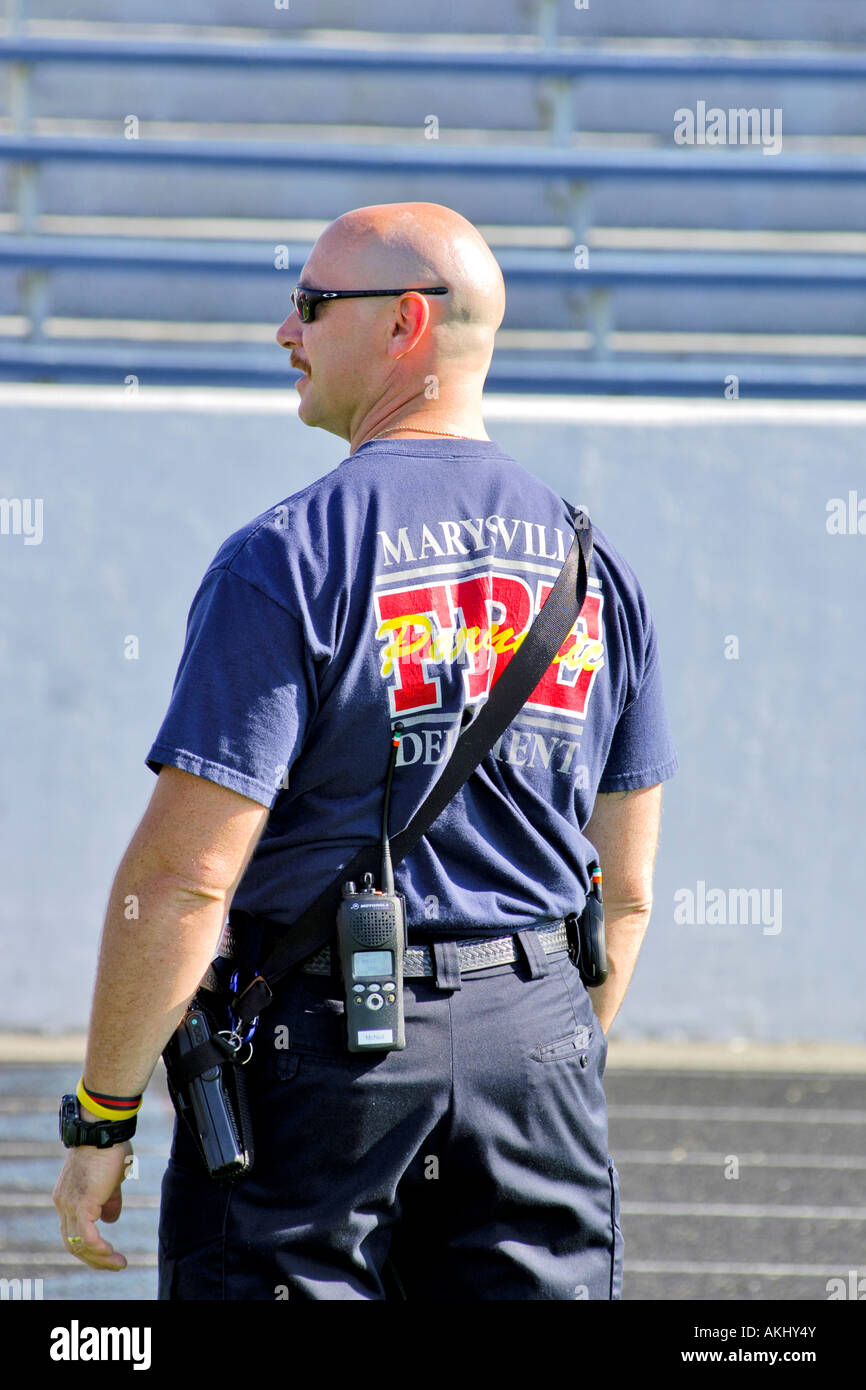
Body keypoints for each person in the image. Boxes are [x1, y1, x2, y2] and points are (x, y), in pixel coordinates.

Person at [53, 201, 678, 1300]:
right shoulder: (599, 569)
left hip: (326, 1057)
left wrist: (103, 1110)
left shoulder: (287, 556)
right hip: (534, 1043)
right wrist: (539, 1047)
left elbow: (188, 876)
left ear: (403, 325)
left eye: (308, 304)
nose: (284, 331)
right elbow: (622, 894)